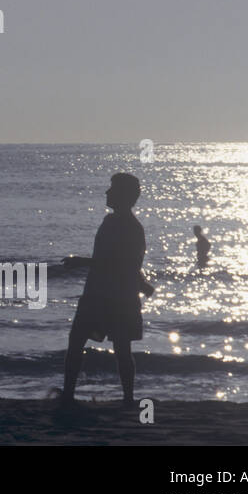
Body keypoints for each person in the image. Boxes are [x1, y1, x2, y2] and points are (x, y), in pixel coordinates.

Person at [61, 174, 154, 406]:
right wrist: (142, 283)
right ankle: (124, 398)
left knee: (88, 345)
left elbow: (117, 263)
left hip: (108, 296)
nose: (107, 193)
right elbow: (130, 264)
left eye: (112, 189)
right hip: (108, 294)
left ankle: (73, 396)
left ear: (123, 195)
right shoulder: (116, 223)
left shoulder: (128, 227)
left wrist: (80, 261)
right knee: (117, 348)